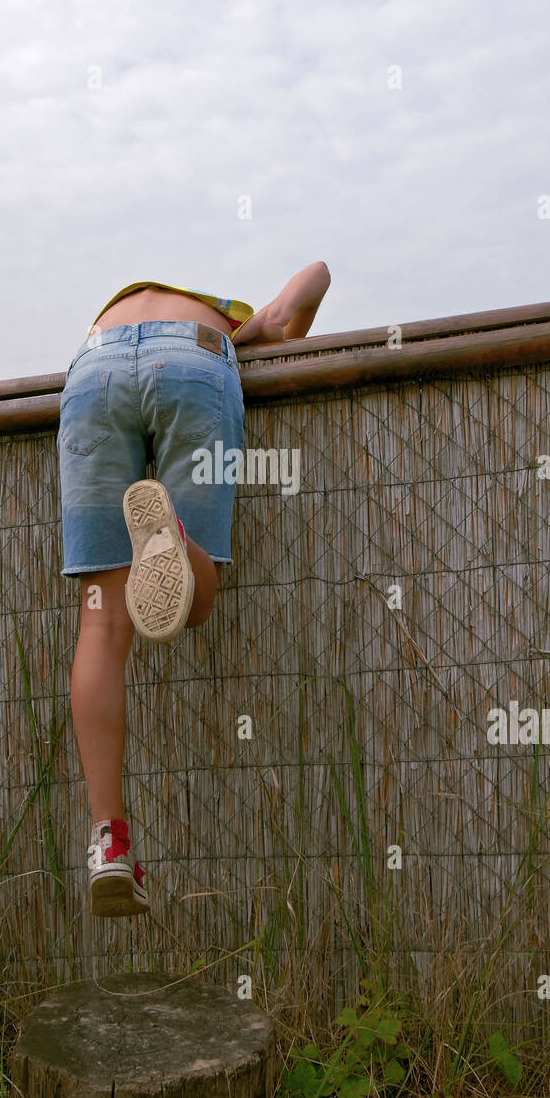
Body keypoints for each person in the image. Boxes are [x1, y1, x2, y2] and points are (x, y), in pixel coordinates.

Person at [56, 262, 331, 916]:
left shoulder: (122, 309)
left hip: (92, 369)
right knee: (197, 604)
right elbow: (315, 277)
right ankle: (175, 539)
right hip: (194, 360)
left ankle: (109, 843)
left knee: (101, 622)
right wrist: (274, 330)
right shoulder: (229, 321)